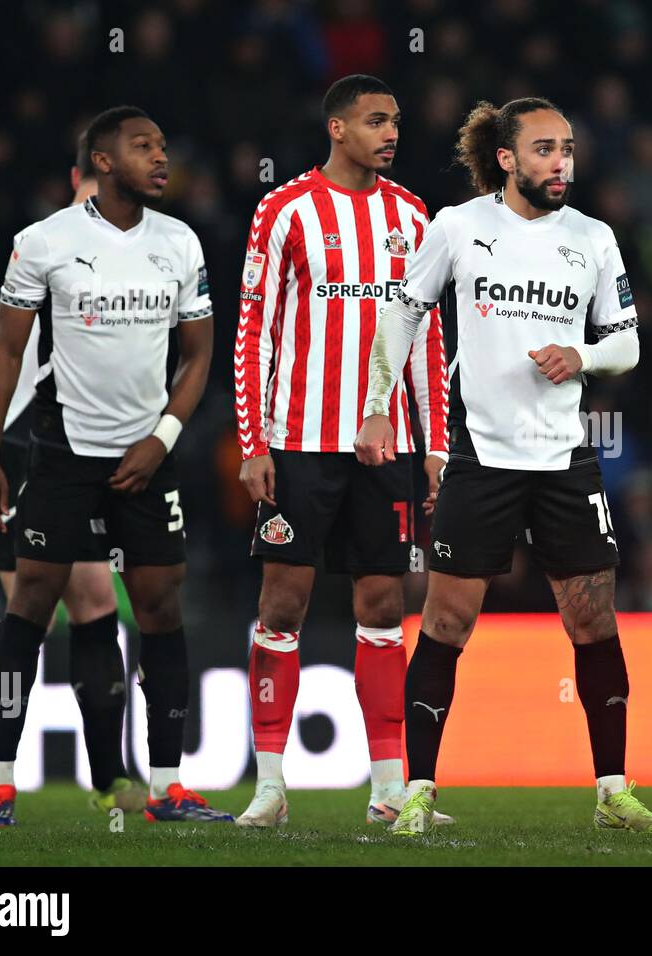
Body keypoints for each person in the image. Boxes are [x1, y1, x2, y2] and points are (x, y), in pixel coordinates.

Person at [355, 97, 652, 837]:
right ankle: (420, 790)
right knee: (446, 621)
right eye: (544, 149)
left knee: (592, 621)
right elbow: (403, 312)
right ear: (506, 158)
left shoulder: (592, 238)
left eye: (567, 149)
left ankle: (613, 790)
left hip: (564, 460)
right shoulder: (459, 228)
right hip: (481, 459)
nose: (561, 162)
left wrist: (581, 354)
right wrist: (377, 405)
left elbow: (625, 341)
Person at [0, 106, 230, 825]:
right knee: (27, 608)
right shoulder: (45, 242)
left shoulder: (179, 242)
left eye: (164, 145)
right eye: (143, 146)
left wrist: (164, 437)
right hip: (59, 455)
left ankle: (167, 785)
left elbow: (199, 353)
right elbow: (6, 354)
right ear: (104, 161)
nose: (161, 156)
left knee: (159, 608)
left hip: (148, 459)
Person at [232, 74, 452, 828]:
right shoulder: (283, 209)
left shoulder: (412, 215)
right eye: (376, 121)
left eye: (396, 121)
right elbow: (251, 331)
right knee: (282, 604)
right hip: (297, 443)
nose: (392, 133)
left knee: (384, 604)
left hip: (385, 445)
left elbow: (427, 336)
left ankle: (389, 789)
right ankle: (269, 784)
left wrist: (435, 445)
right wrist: (252, 440)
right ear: (336, 128)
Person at [0, 132, 141, 818]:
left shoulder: (144, 245)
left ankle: (99, 779)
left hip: (80, 448)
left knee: (86, 610)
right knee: (32, 612)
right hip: (29, 448)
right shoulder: (50, 243)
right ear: (85, 178)